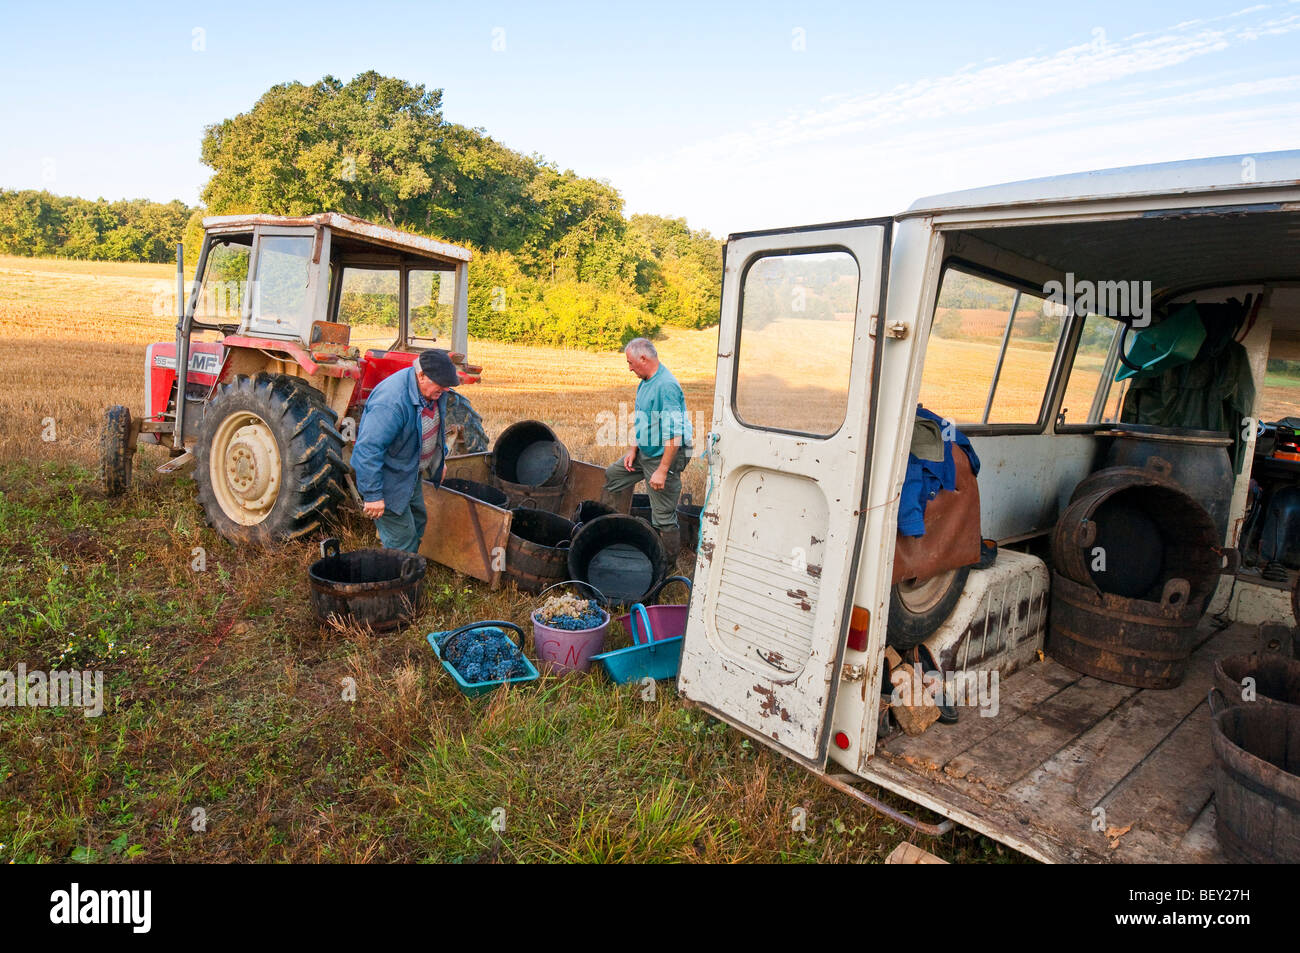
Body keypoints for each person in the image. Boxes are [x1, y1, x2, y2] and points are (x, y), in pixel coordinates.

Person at [352, 349, 460, 552]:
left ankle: (406, 568)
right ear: (421, 375)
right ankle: (398, 579)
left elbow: (435, 428)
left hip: (410, 473)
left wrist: (439, 460)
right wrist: (373, 495)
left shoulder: (434, 393)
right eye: (441, 383)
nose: (446, 389)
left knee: (418, 521)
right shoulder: (391, 402)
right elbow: (367, 449)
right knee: (402, 540)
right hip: (389, 479)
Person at [601, 338, 693, 560]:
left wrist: (662, 470)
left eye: (631, 362)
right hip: (645, 451)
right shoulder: (644, 382)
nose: (629, 368)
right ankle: (615, 533)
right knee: (613, 477)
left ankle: (667, 568)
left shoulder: (666, 387)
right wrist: (634, 449)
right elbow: (641, 420)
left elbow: (675, 435)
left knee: (663, 516)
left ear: (644, 358)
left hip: (666, 455)